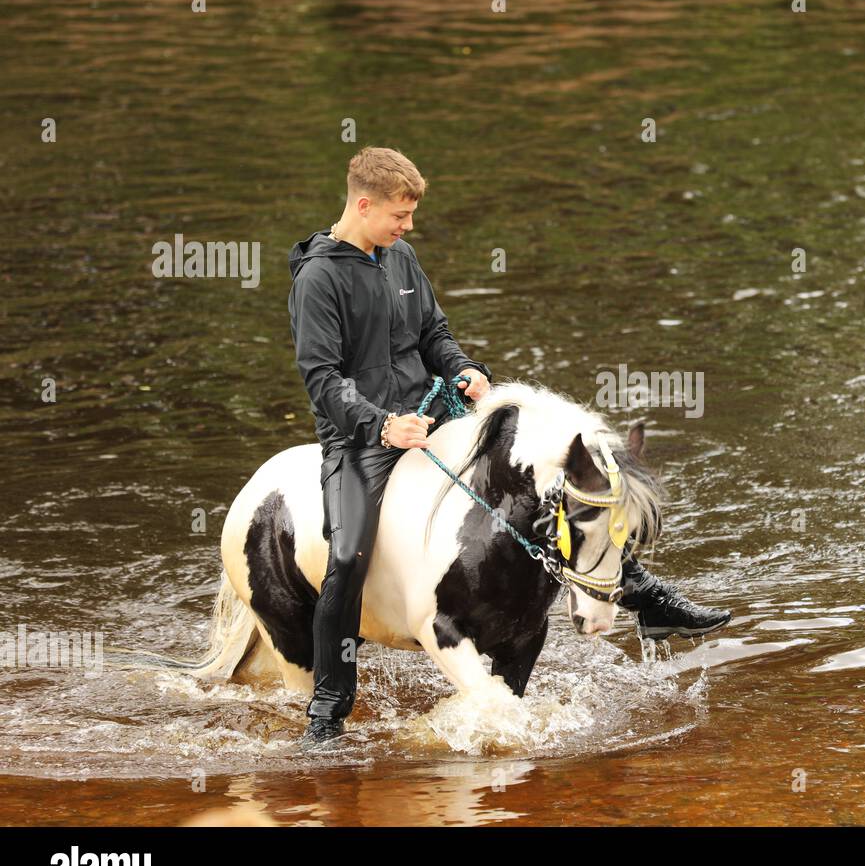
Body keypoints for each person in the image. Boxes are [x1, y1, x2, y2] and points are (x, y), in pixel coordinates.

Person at [287, 146, 730, 744]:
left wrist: (465, 369)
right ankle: (329, 707)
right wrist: (380, 425)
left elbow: (433, 335)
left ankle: (642, 593)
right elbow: (321, 377)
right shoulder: (318, 278)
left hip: (435, 415)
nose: (408, 226)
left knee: (554, 485)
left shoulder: (401, 258)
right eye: (399, 215)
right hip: (361, 439)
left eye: (411, 216)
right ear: (363, 205)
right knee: (344, 559)